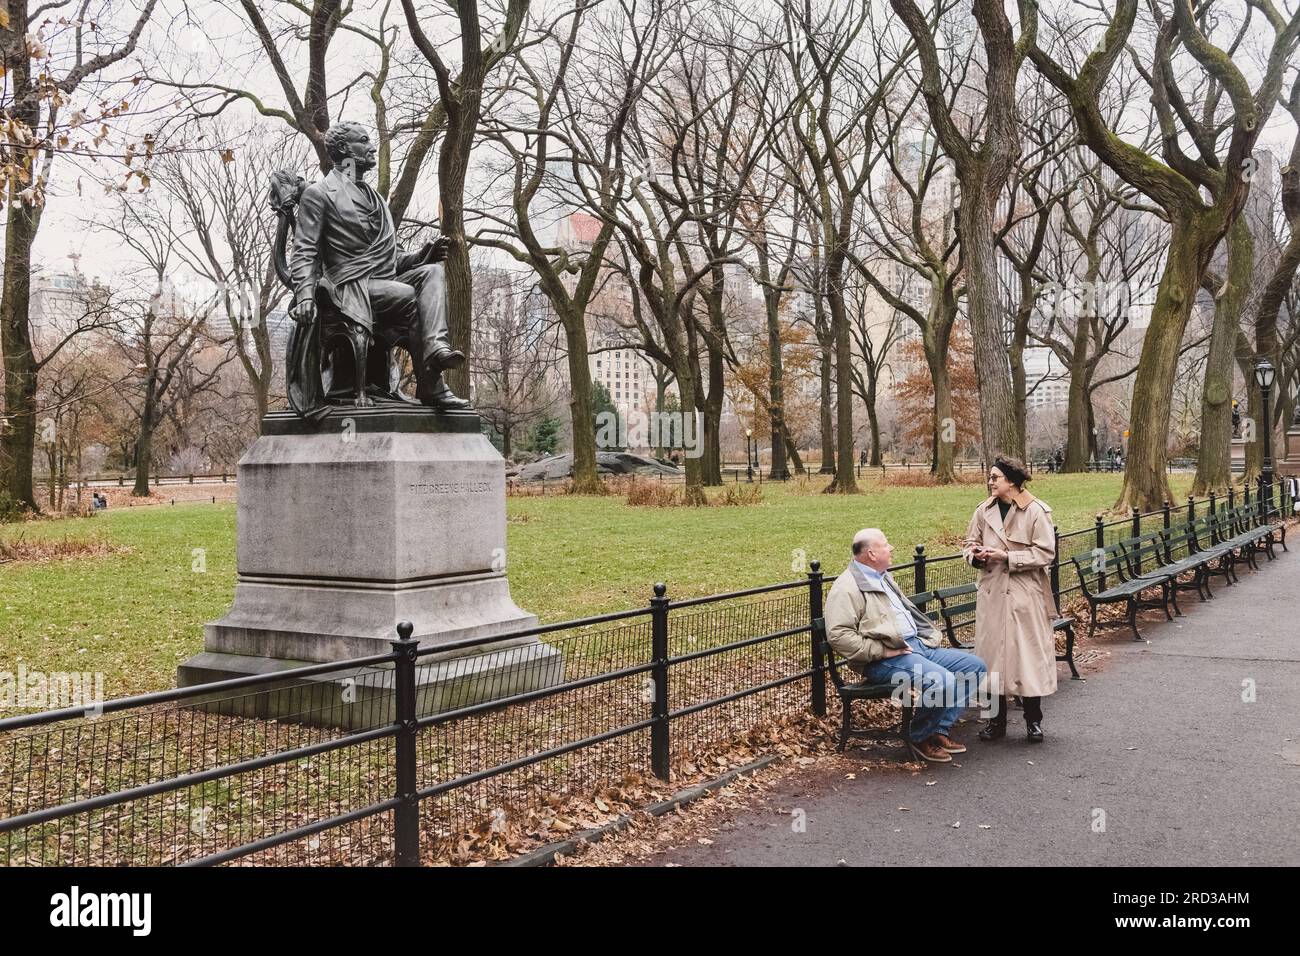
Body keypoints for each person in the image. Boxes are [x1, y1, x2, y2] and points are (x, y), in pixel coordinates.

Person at [824, 528, 988, 763]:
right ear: (871, 553)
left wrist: (923, 636)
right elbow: (839, 636)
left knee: (974, 667)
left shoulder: (882, 576)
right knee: (941, 680)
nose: (890, 548)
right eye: (885, 544)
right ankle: (918, 736)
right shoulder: (847, 587)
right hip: (884, 659)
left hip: (915, 647)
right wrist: (884, 651)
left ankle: (937, 730)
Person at [962, 456, 1058, 742]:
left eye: (996, 477)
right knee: (990, 660)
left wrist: (1008, 557)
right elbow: (968, 544)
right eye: (990, 477)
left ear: (1012, 481)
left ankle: (1033, 721)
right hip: (992, 593)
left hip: (1024, 593)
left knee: (1026, 657)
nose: (990, 481)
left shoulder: (1036, 511)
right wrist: (975, 557)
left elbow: (1045, 553)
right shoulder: (983, 511)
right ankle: (995, 722)